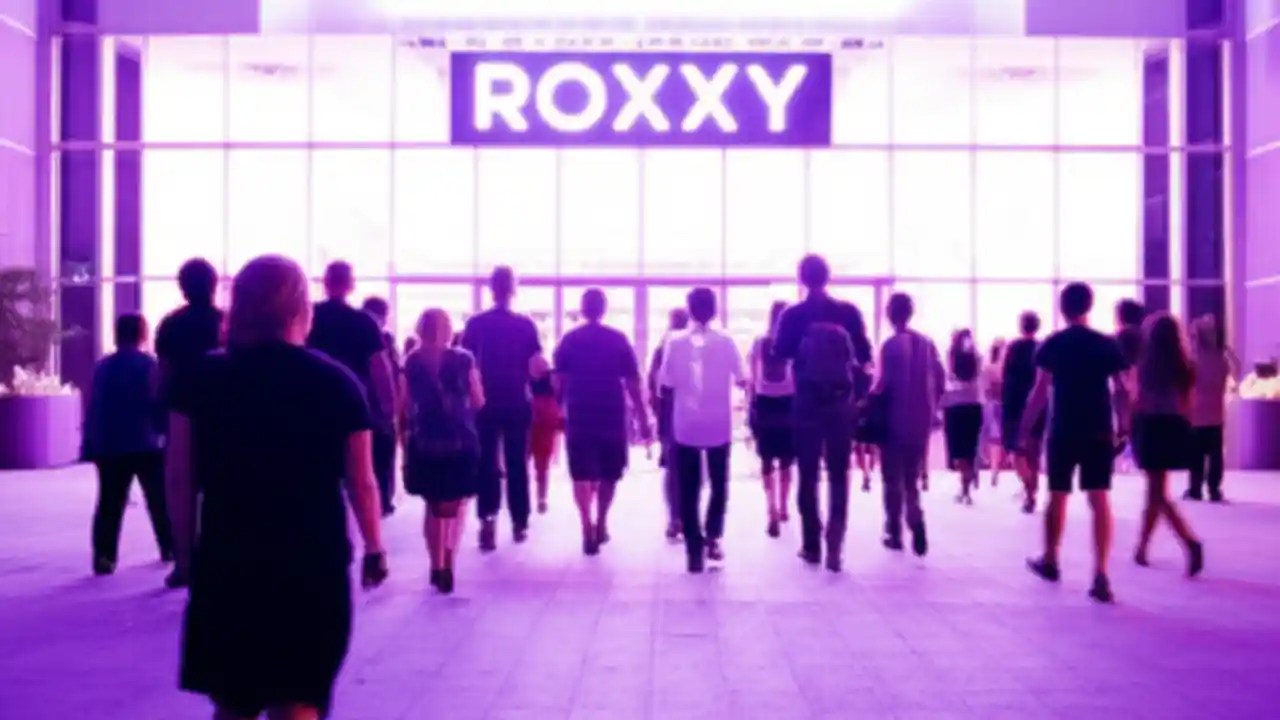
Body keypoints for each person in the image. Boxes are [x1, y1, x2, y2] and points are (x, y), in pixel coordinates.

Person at [167, 255, 387, 720]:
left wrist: (186, 558)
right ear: (300, 310)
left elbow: (180, 477)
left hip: (229, 557)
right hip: (312, 562)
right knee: (299, 699)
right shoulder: (336, 383)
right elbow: (362, 481)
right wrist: (374, 547)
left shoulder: (202, 380)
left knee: (233, 701)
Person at [1023, 282, 1131, 604]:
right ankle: (1100, 573)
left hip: (1063, 428)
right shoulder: (1106, 344)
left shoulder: (1052, 344)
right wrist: (1123, 426)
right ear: (1089, 306)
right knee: (1099, 499)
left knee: (1057, 496)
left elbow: (1040, 391)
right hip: (1098, 428)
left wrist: (1025, 429)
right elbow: (1122, 389)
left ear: (1062, 308)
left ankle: (1051, 559)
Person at [773, 255, 873, 572]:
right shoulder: (848, 312)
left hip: (806, 401)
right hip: (840, 403)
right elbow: (865, 355)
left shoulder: (792, 315)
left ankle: (811, 544)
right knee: (839, 473)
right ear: (828, 277)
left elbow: (780, 353)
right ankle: (835, 547)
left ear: (801, 278)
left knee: (808, 474)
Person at [554, 289, 650, 556]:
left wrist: (558, 409)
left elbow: (558, 381)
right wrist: (642, 417)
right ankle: (602, 521)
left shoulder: (569, 340)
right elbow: (633, 381)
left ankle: (586, 524)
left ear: (583, 309)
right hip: (611, 410)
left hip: (579, 409)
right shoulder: (617, 339)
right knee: (610, 471)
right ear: (603, 309)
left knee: (581, 472)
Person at [659, 287, 746, 573]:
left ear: (689, 309)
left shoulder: (675, 341)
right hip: (719, 422)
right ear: (716, 309)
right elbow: (743, 378)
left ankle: (693, 549)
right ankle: (714, 536)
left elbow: (667, 383)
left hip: (686, 423)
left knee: (688, 486)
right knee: (719, 484)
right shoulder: (727, 341)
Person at [82, 313, 172, 576]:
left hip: (109, 444)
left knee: (109, 502)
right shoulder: (149, 364)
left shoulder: (102, 367)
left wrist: (89, 441)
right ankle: (169, 547)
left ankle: (104, 557)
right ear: (142, 334)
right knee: (158, 500)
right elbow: (157, 403)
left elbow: (95, 407)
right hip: (146, 442)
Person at [402, 308, 484, 594]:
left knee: (433, 503)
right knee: (457, 502)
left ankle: (435, 565)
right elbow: (477, 400)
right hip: (460, 438)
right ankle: (450, 560)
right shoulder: (463, 359)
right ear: (448, 329)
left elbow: (405, 403)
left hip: (425, 439)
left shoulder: (411, 361)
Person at [307, 262, 398, 517]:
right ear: (350, 285)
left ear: (325, 282)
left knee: (321, 470)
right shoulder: (363, 322)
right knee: (360, 469)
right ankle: (369, 524)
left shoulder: (310, 316)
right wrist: (388, 407)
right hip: (355, 402)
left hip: (313, 403)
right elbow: (380, 367)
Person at [461, 266, 542, 550]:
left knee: (486, 462)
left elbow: (467, 366)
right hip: (517, 400)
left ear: (491, 289)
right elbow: (535, 367)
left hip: (484, 402)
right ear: (514, 289)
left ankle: (487, 520)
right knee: (517, 461)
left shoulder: (475, 324)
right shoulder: (525, 324)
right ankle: (519, 522)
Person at [155, 258, 224, 588]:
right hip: (225, 410)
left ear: (182, 287)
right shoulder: (227, 322)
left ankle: (183, 564)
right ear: (214, 285)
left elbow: (164, 370)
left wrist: (159, 408)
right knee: (224, 485)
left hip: (182, 409)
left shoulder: (171, 324)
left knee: (181, 486)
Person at [1131, 312, 1204, 576]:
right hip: (1174, 426)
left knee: (1157, 493)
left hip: (1151, 427)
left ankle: (1189, 541)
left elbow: (1141, 401)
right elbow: (1187, 404)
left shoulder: (1146, 366)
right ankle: (1141, 549)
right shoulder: (1185, 366)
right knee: (1156, 492)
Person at [874, 293, 944, 556]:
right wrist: (932, 405)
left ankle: (894, 531)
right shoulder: (927, 343)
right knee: (912, 478)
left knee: (892, 477)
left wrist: (864, 403)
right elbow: (939, 378)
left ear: (890, 315)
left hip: (895, 418)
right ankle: (916, 521)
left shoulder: (890, 346)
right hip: (921, 419)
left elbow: (882, 385)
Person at [748, 300, 795, 538]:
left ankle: (771, 510)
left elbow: (751, 379)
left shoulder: (759, 343)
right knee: (787, 460)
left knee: (767, 461)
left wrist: (751, 406)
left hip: (764, 404)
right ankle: (785, 507)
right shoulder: (794, 342)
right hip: (788, 404)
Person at [649, 308, 691, 539]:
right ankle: (685, 515)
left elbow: (652, 384)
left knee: (672, 468)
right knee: (690, 466)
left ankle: (674, 517)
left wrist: (656, 412)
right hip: (692, 415)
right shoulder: (693, 347)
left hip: (669, 415)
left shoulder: (662, 349)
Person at [1187, 315, 1234, 502]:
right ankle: (1214, 488)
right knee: (1215, 454)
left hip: (1195, 414)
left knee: (1195, 455)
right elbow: (1232, 374)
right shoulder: (1220, 361)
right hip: (1215, 413)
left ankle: (1195, 489)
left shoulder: (1192, 361)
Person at [1002, 312, 1046, 514]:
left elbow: (1005, 374)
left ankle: (1029, 488)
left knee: (1016, 452)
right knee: (1033, 451)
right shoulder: (1041, 348)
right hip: (1038, 404)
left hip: (1014, 404)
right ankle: (1031, 494)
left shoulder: (1013, 347)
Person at [362, 296, 400, 518]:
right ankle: (384, 500)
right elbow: (388, 370)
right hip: (378, 406)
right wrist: (391, 406)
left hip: (360, 404)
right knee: (384, 456)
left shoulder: (352, 333)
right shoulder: (382, 338)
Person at [943, 329, 983, 505]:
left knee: (957, 449)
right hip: (974, 405)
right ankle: (968, 481)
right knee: (970, 447)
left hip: (954, 405)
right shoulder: (977, 357)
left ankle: (965, 486)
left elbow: (949, 375)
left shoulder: (951, 354)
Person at [528, 353, 560, 514]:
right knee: (537, 463)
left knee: (542, 464)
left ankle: (541, 498)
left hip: (544, 422)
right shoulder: (524, 377)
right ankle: (537, 498)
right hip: (533, 421)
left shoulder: (551, 377)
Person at [982, 338, 1007, 486]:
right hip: (1008, 405)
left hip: (993, 405)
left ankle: (994, 470)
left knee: (994, 441)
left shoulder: (988, 368)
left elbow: (986, 391)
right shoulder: (1007, 368)